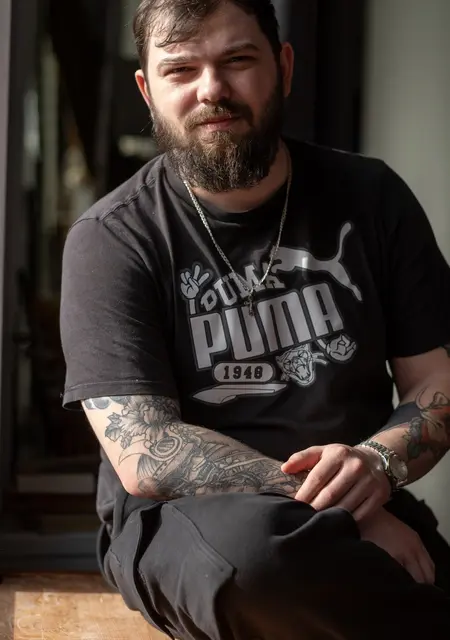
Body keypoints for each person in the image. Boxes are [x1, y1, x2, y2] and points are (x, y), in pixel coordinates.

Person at [60, 0, 450, 638]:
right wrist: (342, 507)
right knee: (257, 562)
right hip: (186, 516)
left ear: (284, 68)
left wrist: (377, 464)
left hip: (362, 498)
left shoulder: (372, 198)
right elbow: (145, 453)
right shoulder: (113, 238)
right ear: (148, 90)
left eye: (238, 60)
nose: (212, 89)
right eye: (181, 69)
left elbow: (436, 378)